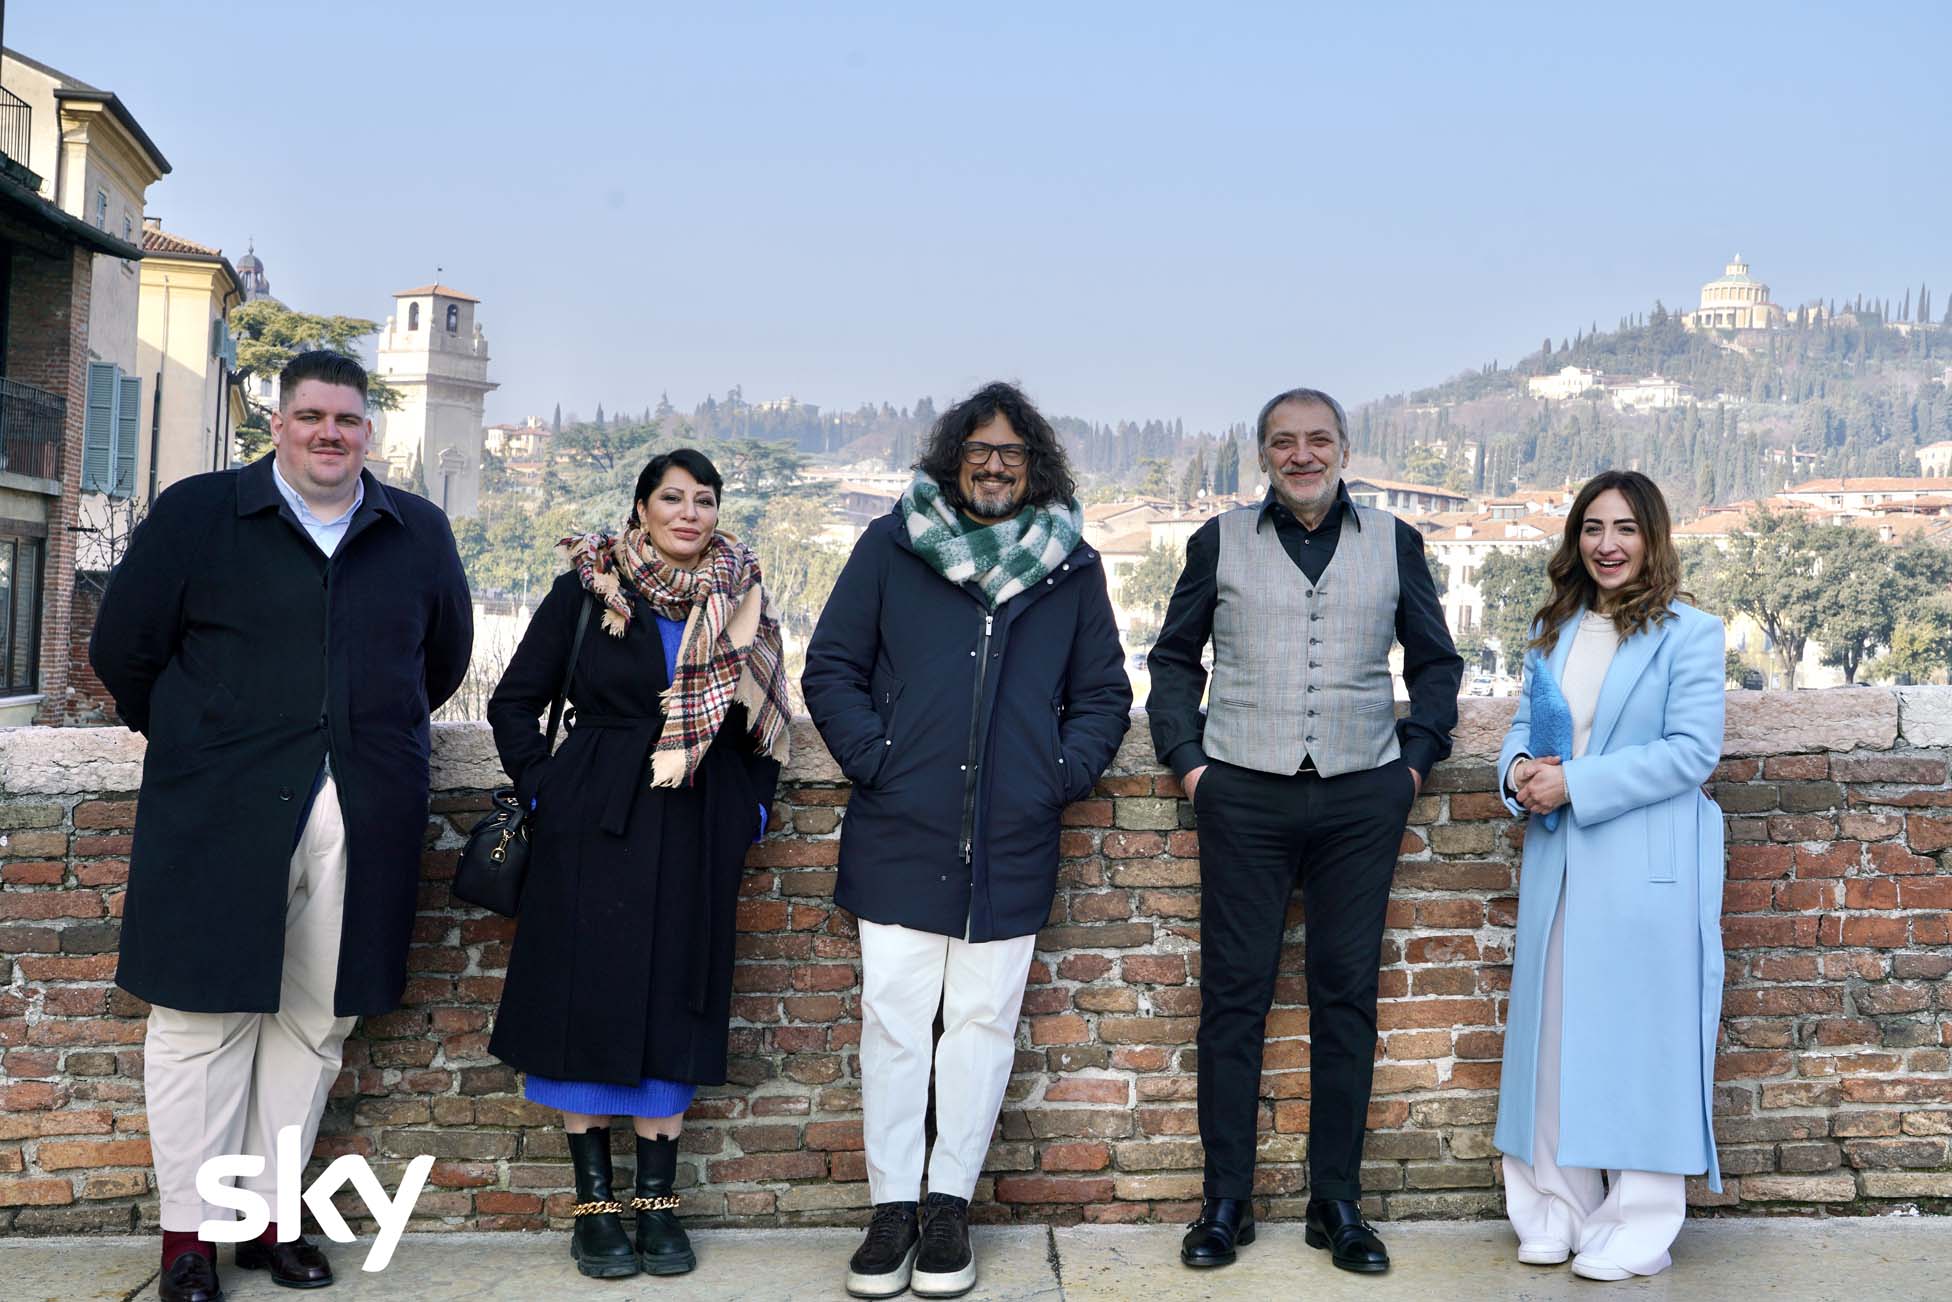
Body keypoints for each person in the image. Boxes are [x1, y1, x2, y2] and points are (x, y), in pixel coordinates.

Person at [89, 351, 473, 1302]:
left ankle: (267, 1222)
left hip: (364, 810)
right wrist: (205, 739)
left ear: (367, 432)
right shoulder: (199, 514)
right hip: (218, 809)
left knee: (315, 1022)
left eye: (346, 419)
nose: (328, 434)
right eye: (310, 416)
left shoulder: (416, 531)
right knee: (199, 1023)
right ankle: (190, 1240)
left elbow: (442, 662)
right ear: (279, 424)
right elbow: (124, 650)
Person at [803, 382, 1130, 1299]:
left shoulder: (1071, 567)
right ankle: (890, 1211)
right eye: (980, 451)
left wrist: (1055, 775)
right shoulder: (891, 545)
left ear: (1034, 467)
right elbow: (831, 668)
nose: (994, 466)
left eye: (1011, 454)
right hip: (901, 826)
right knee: (894, 1024)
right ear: (955, 460)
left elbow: (1104, 693)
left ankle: (948, 1208)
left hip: (1014, 833)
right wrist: (880, 761)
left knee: (982, 1027)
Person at [1147, 387, 1462, 1274]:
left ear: (1345, 450)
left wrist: (1411, 766)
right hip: (1242, 792)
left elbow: (1437, 664)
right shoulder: (1218, 540)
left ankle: (1337, 1203)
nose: (1302, 455)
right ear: (1263, 456)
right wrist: (1191, 765)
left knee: (1346, 997)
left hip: (1362, 796)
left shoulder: (1396, 541)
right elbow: (1172, 659)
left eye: (1318, 439)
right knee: (1233, 998)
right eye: (1283, 442)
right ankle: (1225, 1202)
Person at [486, 447, 790, 1281]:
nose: (690, 513)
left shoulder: (744, 601)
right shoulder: (590, 589)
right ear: (642, 509)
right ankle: (594, 1209)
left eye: (705, 499)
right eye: (673, 498)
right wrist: (549, 790)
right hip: (594, 816)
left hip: (699, 818)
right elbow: (513, 702)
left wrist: (751, 810)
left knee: (677, 989)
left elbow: (767, 724)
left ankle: (657, 1205)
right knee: (583, 992)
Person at [1494, 470, 1726, 1282]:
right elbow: (1524, 727)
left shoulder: (1691, 633)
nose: (1607, 543)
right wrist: (1517, 772)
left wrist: (1577, 784)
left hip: (1645, 867)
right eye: (1593, 527)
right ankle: (1552, 1208)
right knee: (1551, 1039)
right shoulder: (1553, 627)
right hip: (1559, 857)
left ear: (1652, 537)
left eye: (1625, 527)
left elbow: (1692, 752)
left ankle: (1638, 1226)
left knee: (1642, 1044)